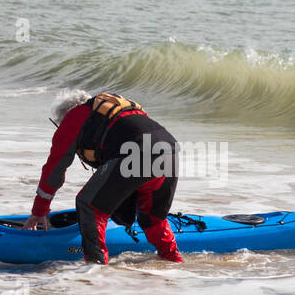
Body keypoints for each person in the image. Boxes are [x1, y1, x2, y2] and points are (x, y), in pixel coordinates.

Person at [25, 90, 183, 264]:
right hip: (170, 152)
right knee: (153, 218)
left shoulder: (75, 116)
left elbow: (54, 168)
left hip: (137, 153)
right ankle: (173, 260)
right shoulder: (115, 111)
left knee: (89, 205)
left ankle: (96, 269)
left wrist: (39, 212)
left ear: (65, 115)